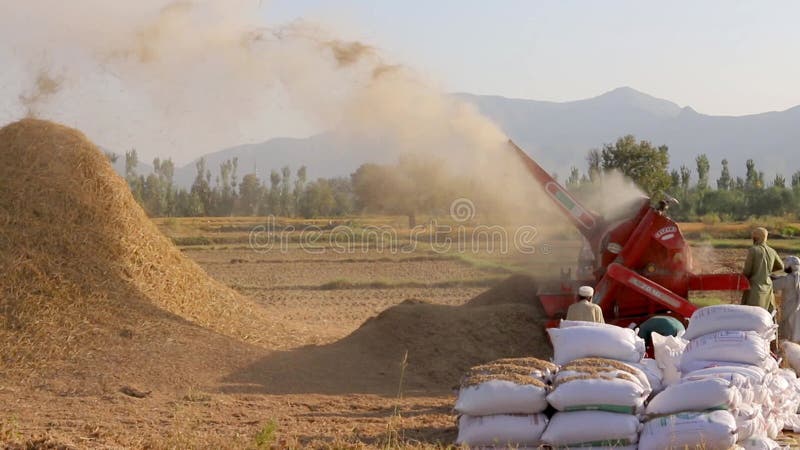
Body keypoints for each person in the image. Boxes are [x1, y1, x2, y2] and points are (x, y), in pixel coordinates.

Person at [742, 227, 784, 310]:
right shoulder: (772, 251)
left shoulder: (753, 250)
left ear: (755, 238)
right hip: (768, 288)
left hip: (755, 289)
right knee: (768, 316)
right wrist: (766, 271)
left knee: (753, 315)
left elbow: (747, 272)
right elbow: (781, 266)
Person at [773, 256, 800, 342]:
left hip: (789, 309)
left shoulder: (788, 279)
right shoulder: (796, 277)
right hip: (797, 310)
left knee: (787, 334)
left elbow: (773, 286)